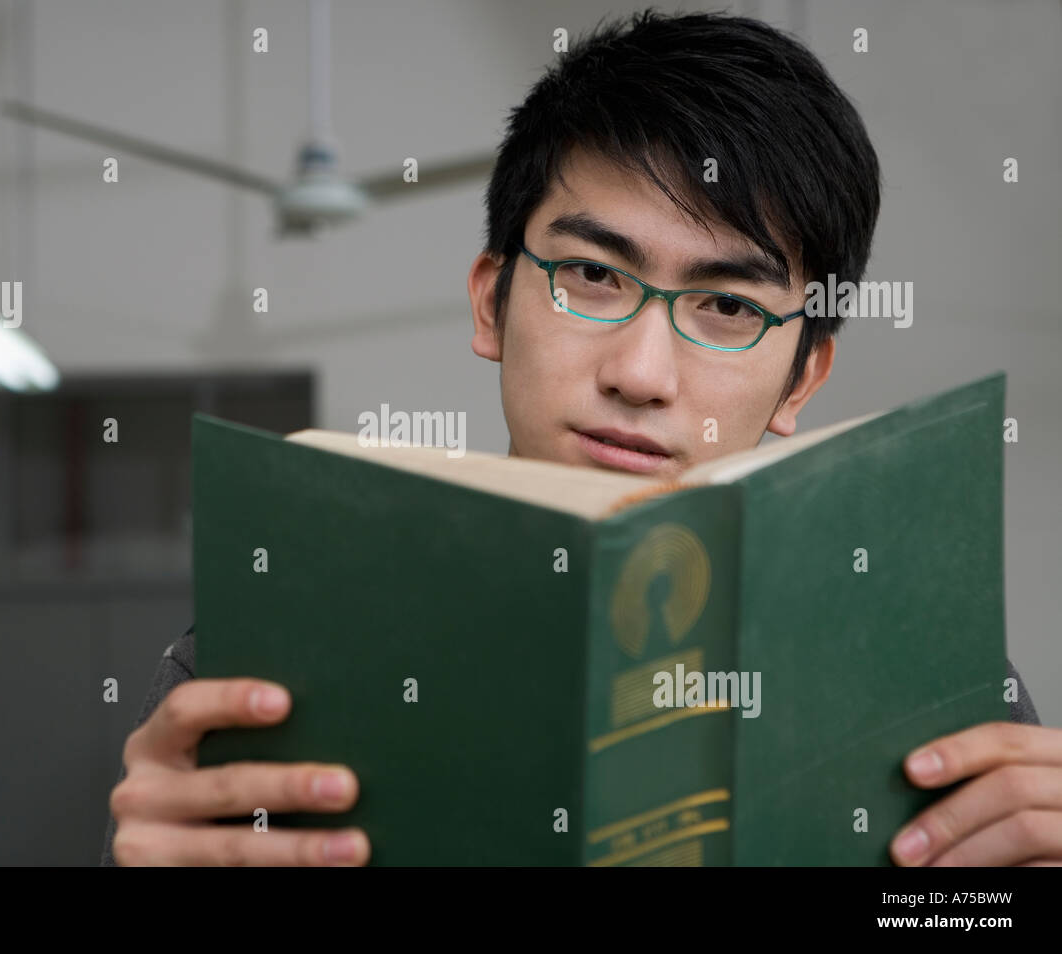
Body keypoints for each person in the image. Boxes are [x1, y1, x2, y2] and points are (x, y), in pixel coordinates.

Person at [101, 10, 1051, 867]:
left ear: (802, 374)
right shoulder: (258, 658)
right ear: (491, 301)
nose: (640, 374)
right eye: (594, 275)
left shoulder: (943, 685)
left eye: (725, 304)